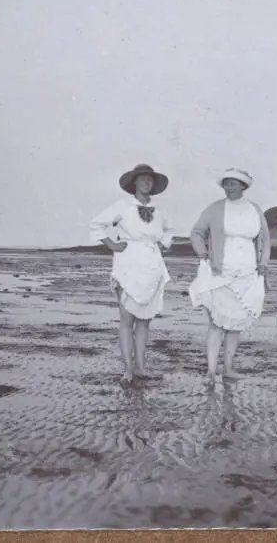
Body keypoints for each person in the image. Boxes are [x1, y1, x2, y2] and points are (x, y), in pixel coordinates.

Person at [89, 164, 175, 388]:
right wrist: (112, 245)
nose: (147, 183)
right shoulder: (123, 205)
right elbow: (96, 224)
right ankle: (128, 368)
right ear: (134, 183)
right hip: (128, 263)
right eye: (142, 179)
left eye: (150, 180)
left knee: (145, 320)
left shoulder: (160, 210)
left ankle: (141, 367)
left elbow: (169, 231)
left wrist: (165, 243)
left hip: (153, 264)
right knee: (127, 320)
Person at [189, 167, 271, 382]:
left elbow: (264, 239)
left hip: (247, 272)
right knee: (216, 321)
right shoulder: (214, 209)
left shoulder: (255, 209)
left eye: (233, 183)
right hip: (220, 271)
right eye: (226, 183)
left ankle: (228, 368)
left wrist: (263, 263)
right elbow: (197, 232)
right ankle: (210, 370)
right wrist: (204, 253)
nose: (229, 187)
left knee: (236, 323)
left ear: (243, 186)